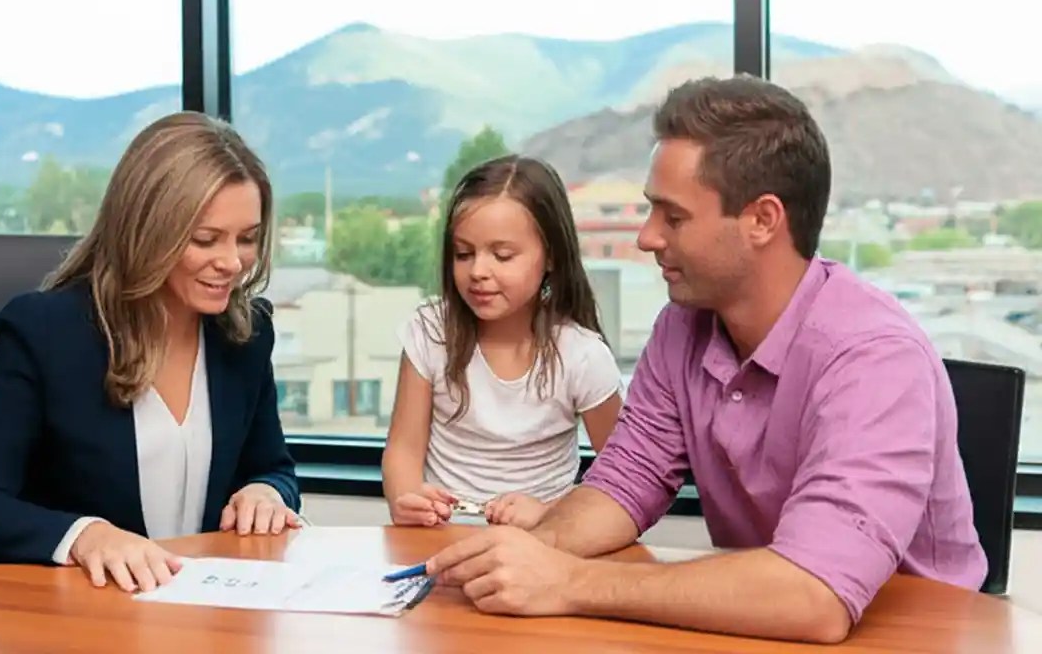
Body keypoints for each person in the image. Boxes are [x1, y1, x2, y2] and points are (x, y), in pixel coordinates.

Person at [424, 76, 987, 644]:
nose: (646, 238)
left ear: (762, 220)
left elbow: (814, 596)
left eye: (673, 217)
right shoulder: (683, 326)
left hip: (906, 636)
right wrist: (527, 554)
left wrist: (570, 581)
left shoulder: (875, 358)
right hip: (758, 628)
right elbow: (627, 480)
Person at [0, 111, 302, 594]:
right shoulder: (47, 332)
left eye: (247, 238)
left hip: (202, 610)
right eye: (206, 240)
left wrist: (268, 492)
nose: (232, 262)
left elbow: (271, 465)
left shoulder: (247, 335)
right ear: (148, 232)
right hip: (80, 615)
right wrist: (86, 536)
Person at [382, 154, 624, 530]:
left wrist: (550, 514)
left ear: (551, 257)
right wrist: (406, 497)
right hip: (441, 541)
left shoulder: (582, 355)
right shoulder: (429, 332)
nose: (478, 271)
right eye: (463, 254)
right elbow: (403, 449)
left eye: (503, 255)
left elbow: (622, 480)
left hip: (543, 546)